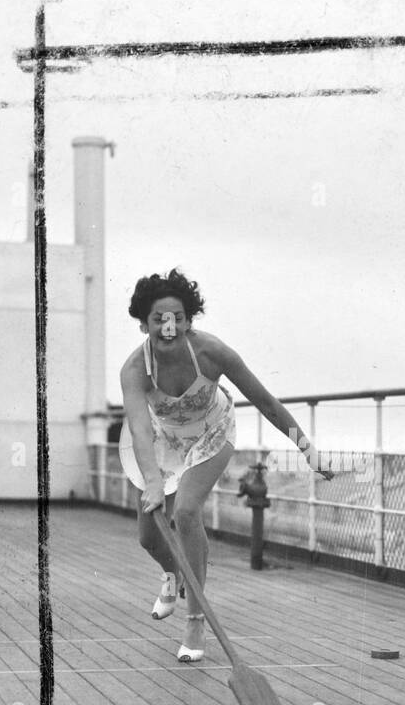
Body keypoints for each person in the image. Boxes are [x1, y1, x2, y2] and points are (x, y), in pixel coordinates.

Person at [119, 268, 332, 662]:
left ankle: (195, 621)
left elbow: (266, 402)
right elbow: (138, 429)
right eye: (158, 320)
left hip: (211, 433)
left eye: (178, 318)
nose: (169, 328)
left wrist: (308, 450)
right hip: (161, 440)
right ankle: (173, 572)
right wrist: (151, 480)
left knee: (185, 512)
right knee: (149, 535)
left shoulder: (212, 353)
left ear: (189, 318)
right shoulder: (135, 370)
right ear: (144, 323)